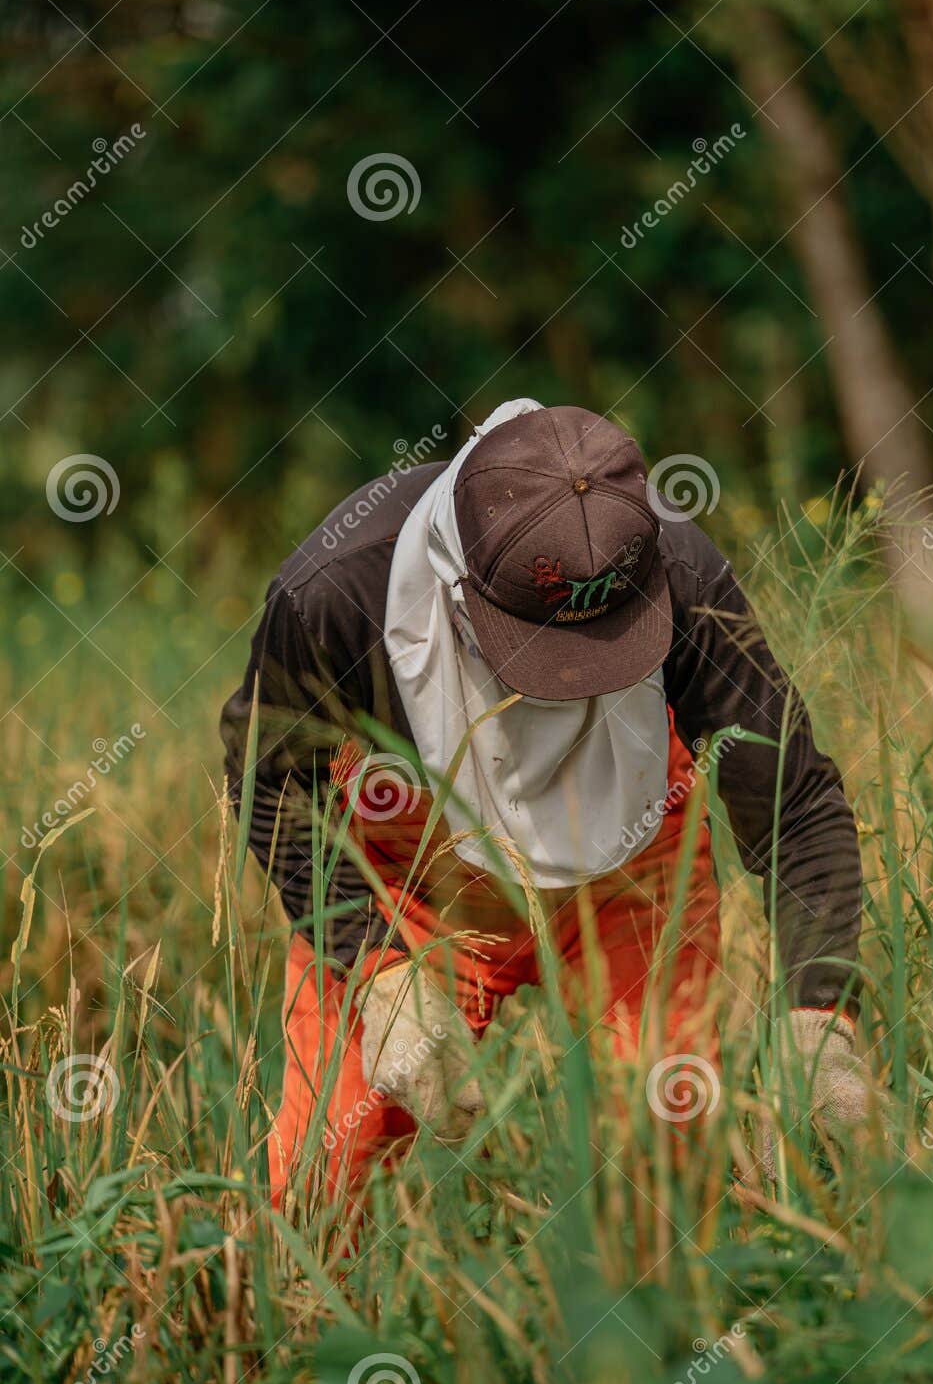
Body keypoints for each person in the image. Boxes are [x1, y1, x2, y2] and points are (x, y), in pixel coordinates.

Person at [220, 400, 873, 1207]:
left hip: (634, 873)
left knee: (677, 1144)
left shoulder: (682, 566)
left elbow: (792, 798)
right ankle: (294, 1326)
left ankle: (668, 1327)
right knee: (335, 1155)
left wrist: (820, 1015)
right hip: (416, 885)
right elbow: (270, 784)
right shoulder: (336, 592)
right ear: (460, 583)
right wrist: (375, 964)